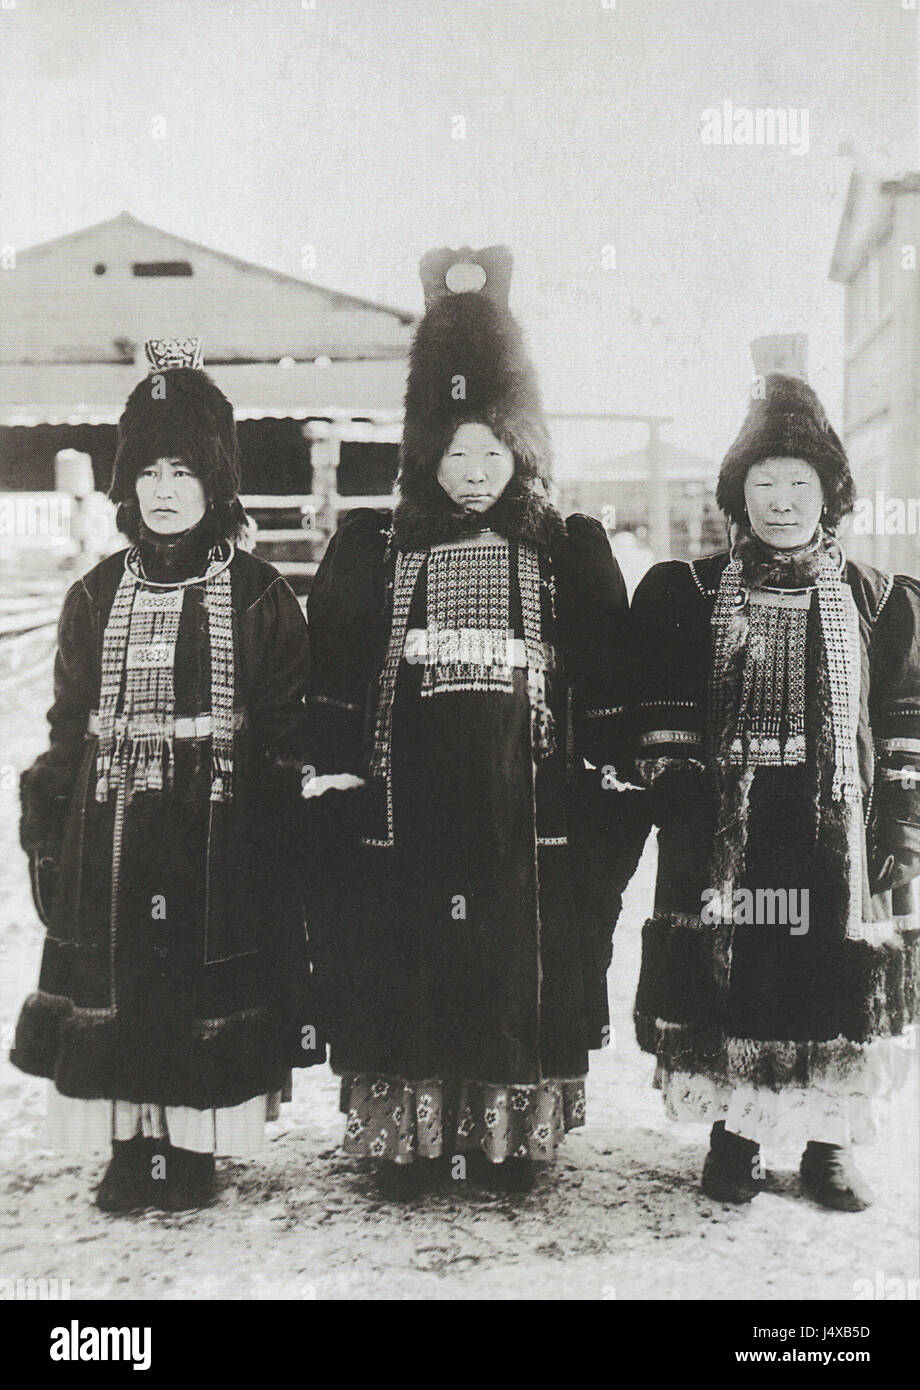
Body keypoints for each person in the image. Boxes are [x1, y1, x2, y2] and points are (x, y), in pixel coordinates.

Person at [305, 247, 643, 1199]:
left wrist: (610, 774)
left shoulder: (566, 549)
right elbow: (332, 670)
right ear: (424, 453)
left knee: (507, 965)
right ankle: (407, 1143)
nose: (473, 471)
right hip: (402, 807)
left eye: (493, 450)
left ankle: (503, 1141)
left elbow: (606, 674)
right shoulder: (374, 546)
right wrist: (331, 768)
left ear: (523, 450)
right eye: (454, 451)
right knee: (407, 957)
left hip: (521, 808)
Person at [11, 339, 323, 1212]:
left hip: (215, 826)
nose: (164, 489)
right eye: (147, 469)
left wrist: (281, 824)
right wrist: (49, 817)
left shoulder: (262, 594)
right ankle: (127, 1144)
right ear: (125, 485)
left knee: (195, 982)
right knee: (118, 978)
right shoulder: (95, 593)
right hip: (107, 824)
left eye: (183, 469)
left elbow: (285, 725)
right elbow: (68, 720)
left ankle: (190, 1147)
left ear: (216, 482)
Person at [630, 373, 919, 1210]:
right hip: (734, 826)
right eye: (765, 483)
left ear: (829, 495)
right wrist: (680, 792)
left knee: (833, 975)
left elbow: (903, 713)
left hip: (837, 824)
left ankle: (830, 1143)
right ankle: (738, 1135)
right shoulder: (691, 592)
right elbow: (666, 708)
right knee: (742, 974)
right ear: (738, 493)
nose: (783, 501)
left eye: (800, 484)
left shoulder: (880, 599)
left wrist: (900, 817)